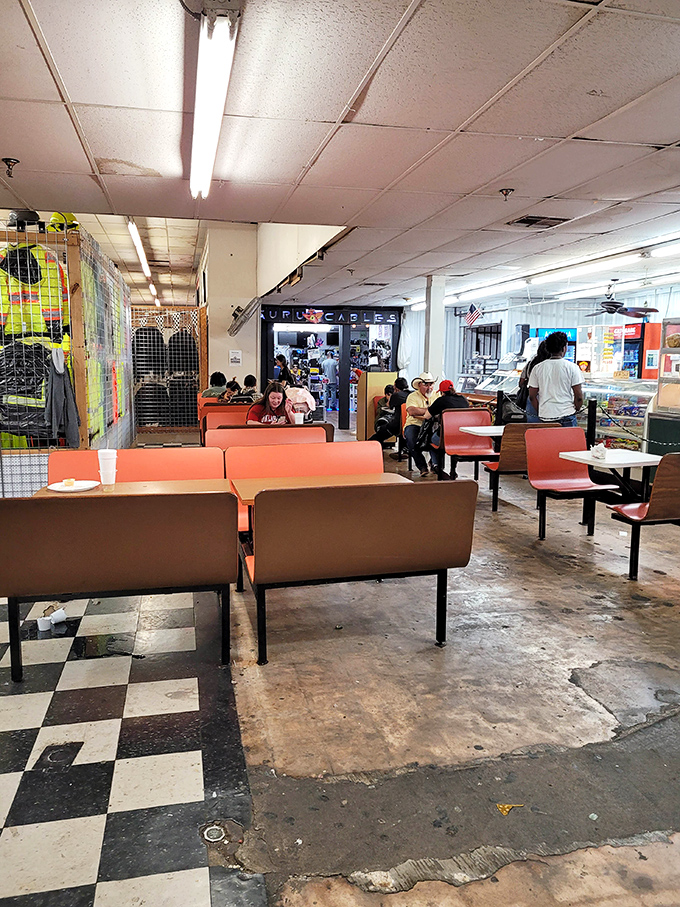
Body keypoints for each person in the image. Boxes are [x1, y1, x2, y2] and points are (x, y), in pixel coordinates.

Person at [528, 331, 583, 427]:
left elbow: (532, 396)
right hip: (567, 415)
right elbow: (578, 396)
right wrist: (576, 409)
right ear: (564, 348)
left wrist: (541, 411)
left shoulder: (537, 368)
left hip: (545, 416)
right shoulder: (572, 367)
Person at [425, 380, 470, 479]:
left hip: (445, 438)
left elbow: (426, 416)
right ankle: (453, 469)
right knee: (449, 443)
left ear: (442, 392)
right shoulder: (463, 399)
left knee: (431, 440)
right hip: (463, 437)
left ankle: (436, 466)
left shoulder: (441, 400)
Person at [404, 372, 440, 477]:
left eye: (431, 384)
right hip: (415, 424)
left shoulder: (437, 395)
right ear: (419, 385)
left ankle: (435, 464)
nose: (429, 387)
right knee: (411, 439)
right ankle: (422, 466)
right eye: (426, 385)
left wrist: (422, 411)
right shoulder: (412, 396)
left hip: (433, 425)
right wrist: (432, 410)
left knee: (439, 438)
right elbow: (412, 411)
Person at [369, 377, 409, 447]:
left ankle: (368, 445)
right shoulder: (412, 395)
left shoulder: (396, 395)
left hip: (396, 425)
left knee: (382, 430)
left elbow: (388, 405)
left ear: (395, 387)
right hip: (408, 423)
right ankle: (403, 450)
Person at [518, 341, 549, 422]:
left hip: (532, 398)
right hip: (548, 398)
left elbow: (521, 382)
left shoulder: (531, 363)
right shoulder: (549, 366)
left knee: (533, 425)